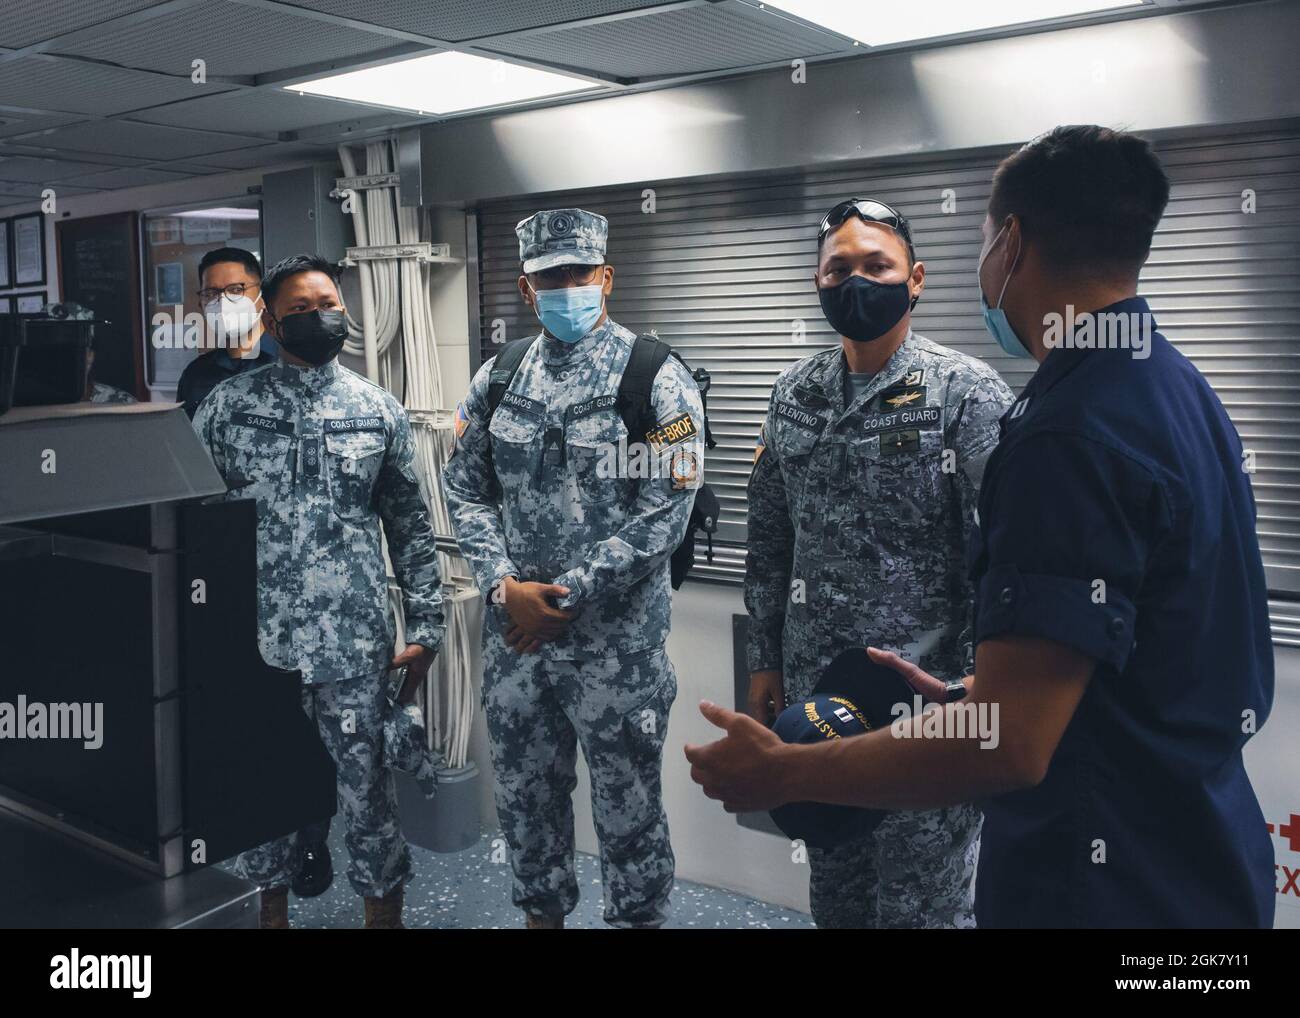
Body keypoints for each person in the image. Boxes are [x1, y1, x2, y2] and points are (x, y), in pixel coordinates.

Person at [686, 125, 1276, 929]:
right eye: (838, 266)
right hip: (1188, 846)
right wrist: (977, 691)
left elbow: (1010, 742)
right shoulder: (1170, 387)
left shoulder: (1061, 432)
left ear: (1011, 241)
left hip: (1104, 872)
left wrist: (791, 773)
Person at [744, 197, 1013, 928]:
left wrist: (981, 690)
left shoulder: (967, 394)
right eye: (839, 269)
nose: (856, 282)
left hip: (926, 704)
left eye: (877, 266)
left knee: (923, 906)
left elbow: (1005, 558)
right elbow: (770, 535)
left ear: (916, 278)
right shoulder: (793, 393)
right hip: (819, 702)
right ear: (817, 280)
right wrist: (764, 660)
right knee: (837, 892)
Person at [443, 208, 703, 929]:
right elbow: (461, 486)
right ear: (526, 291)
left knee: (629, 817)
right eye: (547, 278)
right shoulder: (497, 377)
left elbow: (669, 506)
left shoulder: (656, 376)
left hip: (614, 656)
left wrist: (560, 596)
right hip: (518, 651)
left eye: (577, 275)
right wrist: (502, 587)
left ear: (605, 277)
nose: (564, 289)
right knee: (526, 810)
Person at [192, 253, 443, 929]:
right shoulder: (227, 408)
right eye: (298, 310)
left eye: (327, 303)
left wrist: (426, 629)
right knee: (264, 800)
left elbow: (412, 527)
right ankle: (268, 915)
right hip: (261, 647)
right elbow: (191, 525)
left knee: (369, 801)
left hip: (355, 650)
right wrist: (201, 635)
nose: (317, 317)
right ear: (271, 323)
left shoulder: (376, 409)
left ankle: (380, 916)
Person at [176, 247, 274, 418]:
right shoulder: (195, 375)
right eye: (211, 293)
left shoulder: (291, 362)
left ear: (263, 296)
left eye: (236, 289)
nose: (222, 301)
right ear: (201, 303)